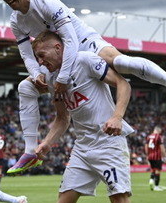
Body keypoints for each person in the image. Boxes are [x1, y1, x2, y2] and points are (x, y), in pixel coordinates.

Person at [0, 0, 166, 174]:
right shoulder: (16, 21)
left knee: (124, 64)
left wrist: (63, 77)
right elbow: (26, 54)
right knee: (26, 87)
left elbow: (70, 40)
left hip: (86, 43)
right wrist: (36, 74)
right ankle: (30, 151)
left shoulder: (47, 3)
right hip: (59, 56)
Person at [33, 30, 133, 203]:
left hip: (108, 143)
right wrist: (46, 143)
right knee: (64, 199)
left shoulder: (84, 59)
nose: (40, 62)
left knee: (119, 198)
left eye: (42, 55)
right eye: (37, 58)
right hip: (82, 148)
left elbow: (123, 83)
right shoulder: (51, 78)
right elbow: (63, 118)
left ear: (58, 48)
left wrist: (117, 117)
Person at [144, 126, 166, 191]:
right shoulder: (158, 136)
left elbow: (146, 146)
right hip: (157, 156)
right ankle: (156, 186)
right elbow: (162, 148)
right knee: (158, 170)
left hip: (150, 156)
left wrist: (147, 154)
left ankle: (151, 180)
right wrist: (164, 156)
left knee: (153, 169)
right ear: (158, 131)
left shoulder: (148, 136)